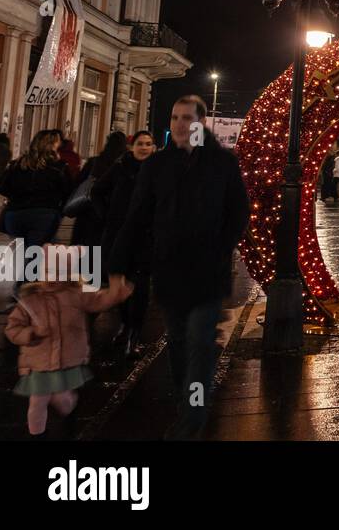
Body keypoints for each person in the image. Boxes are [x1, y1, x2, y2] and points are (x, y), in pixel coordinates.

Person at [108, 95, 250, 439]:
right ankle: (188, 400)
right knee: (177, 344)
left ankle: (192, 419)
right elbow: (137, 214)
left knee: (200, 343)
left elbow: (239, 211)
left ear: (201, 122)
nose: (180, 124)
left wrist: (219, 247)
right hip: (169, 271)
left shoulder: (222, 163)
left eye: (187, 118)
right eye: (174, 118)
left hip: (206, 272)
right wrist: (116, 265)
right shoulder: (158, 165)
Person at [4, 250, 132, 437]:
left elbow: (98, 300)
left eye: (59, 273)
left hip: (67, 359)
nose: (52, 278)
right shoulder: (30, 300)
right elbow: (13, 329)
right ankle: (38, 434)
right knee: (37, 401)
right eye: (48, 272)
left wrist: (115, 294)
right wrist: (30, 334)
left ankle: (70, 411)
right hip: (39, 362)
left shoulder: (75, 294)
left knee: (61, 398)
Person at [95, 130, 157, 358]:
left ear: (153, 147)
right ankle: (125, 323)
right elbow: (97, 192)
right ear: (132, 146)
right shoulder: (120, 168)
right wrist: (108, 216)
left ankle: (134, 334)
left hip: (145, 237)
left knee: (140, 286)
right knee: (118, 285)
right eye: (140, 143)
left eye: (148, 144)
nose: (144, 148)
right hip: (118, 235)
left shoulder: (158, 172)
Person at [0, 129, 71, 247]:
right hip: (44, 214)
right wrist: (59, 209)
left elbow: (2, 187)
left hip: (15, 214)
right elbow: (68, 191)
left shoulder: (17, 164)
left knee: (17, 253)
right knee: (35, 255)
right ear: (51, 145)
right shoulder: (59, 167)